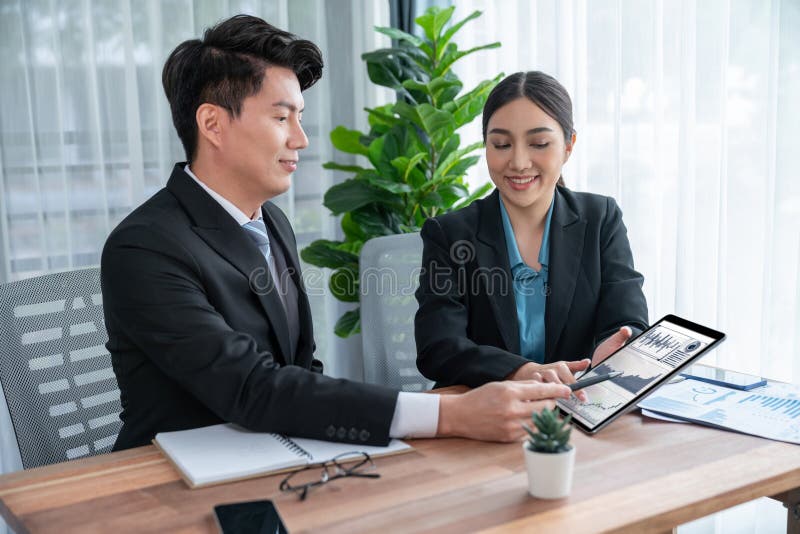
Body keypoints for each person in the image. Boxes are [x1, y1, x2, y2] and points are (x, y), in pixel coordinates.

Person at [102, 16, 573, 451]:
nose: (300, 139)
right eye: (281, 117)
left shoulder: (270, 222)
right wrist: (448, 414)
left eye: (299, 118)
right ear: (213, 124)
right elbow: (251, 387)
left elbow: (301, 371)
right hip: (167, 485)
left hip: (273, 458)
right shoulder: (145, 247)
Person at [415, 71, 649, 388]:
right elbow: (438, 347)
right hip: (484, 413)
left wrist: (620, 346)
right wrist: (519, 371)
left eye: (539, 143)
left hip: (577, 407)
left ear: (568, 146)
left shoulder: (600, 219)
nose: (519, 162)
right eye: (501, 144)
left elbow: (627, 320)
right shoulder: (450, 234)